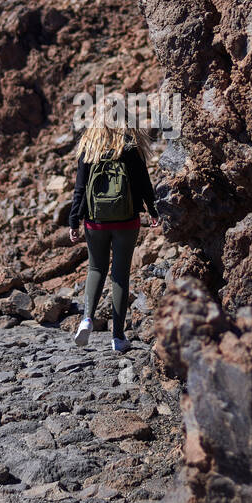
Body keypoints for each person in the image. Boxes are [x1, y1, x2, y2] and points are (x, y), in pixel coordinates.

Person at [68, 101, 159, 352]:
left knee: (95, 268)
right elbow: (143, 184)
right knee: (120, 274)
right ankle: (118, 338)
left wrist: (73, 220)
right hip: (126, 219)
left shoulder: (89, 148)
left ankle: (87, 319)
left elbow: (79, 190)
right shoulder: (130, 147)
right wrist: (153, 211)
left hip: (94, 221)